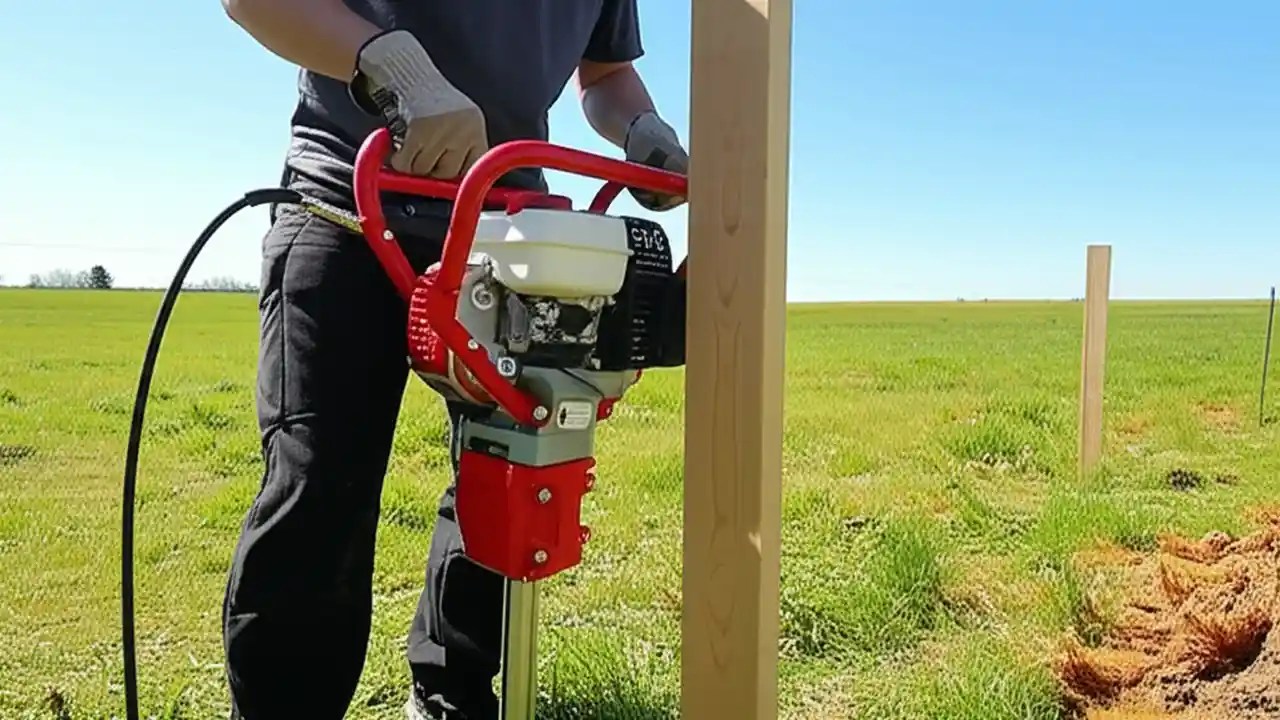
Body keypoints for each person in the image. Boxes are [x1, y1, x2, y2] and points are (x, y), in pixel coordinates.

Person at [215, 1, 690, 718]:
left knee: (513, 470)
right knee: (320, 487)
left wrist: (640, 127)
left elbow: (607, 74)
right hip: (349, 201)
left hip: (508, 237)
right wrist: (388, 61)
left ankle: (450, 695)